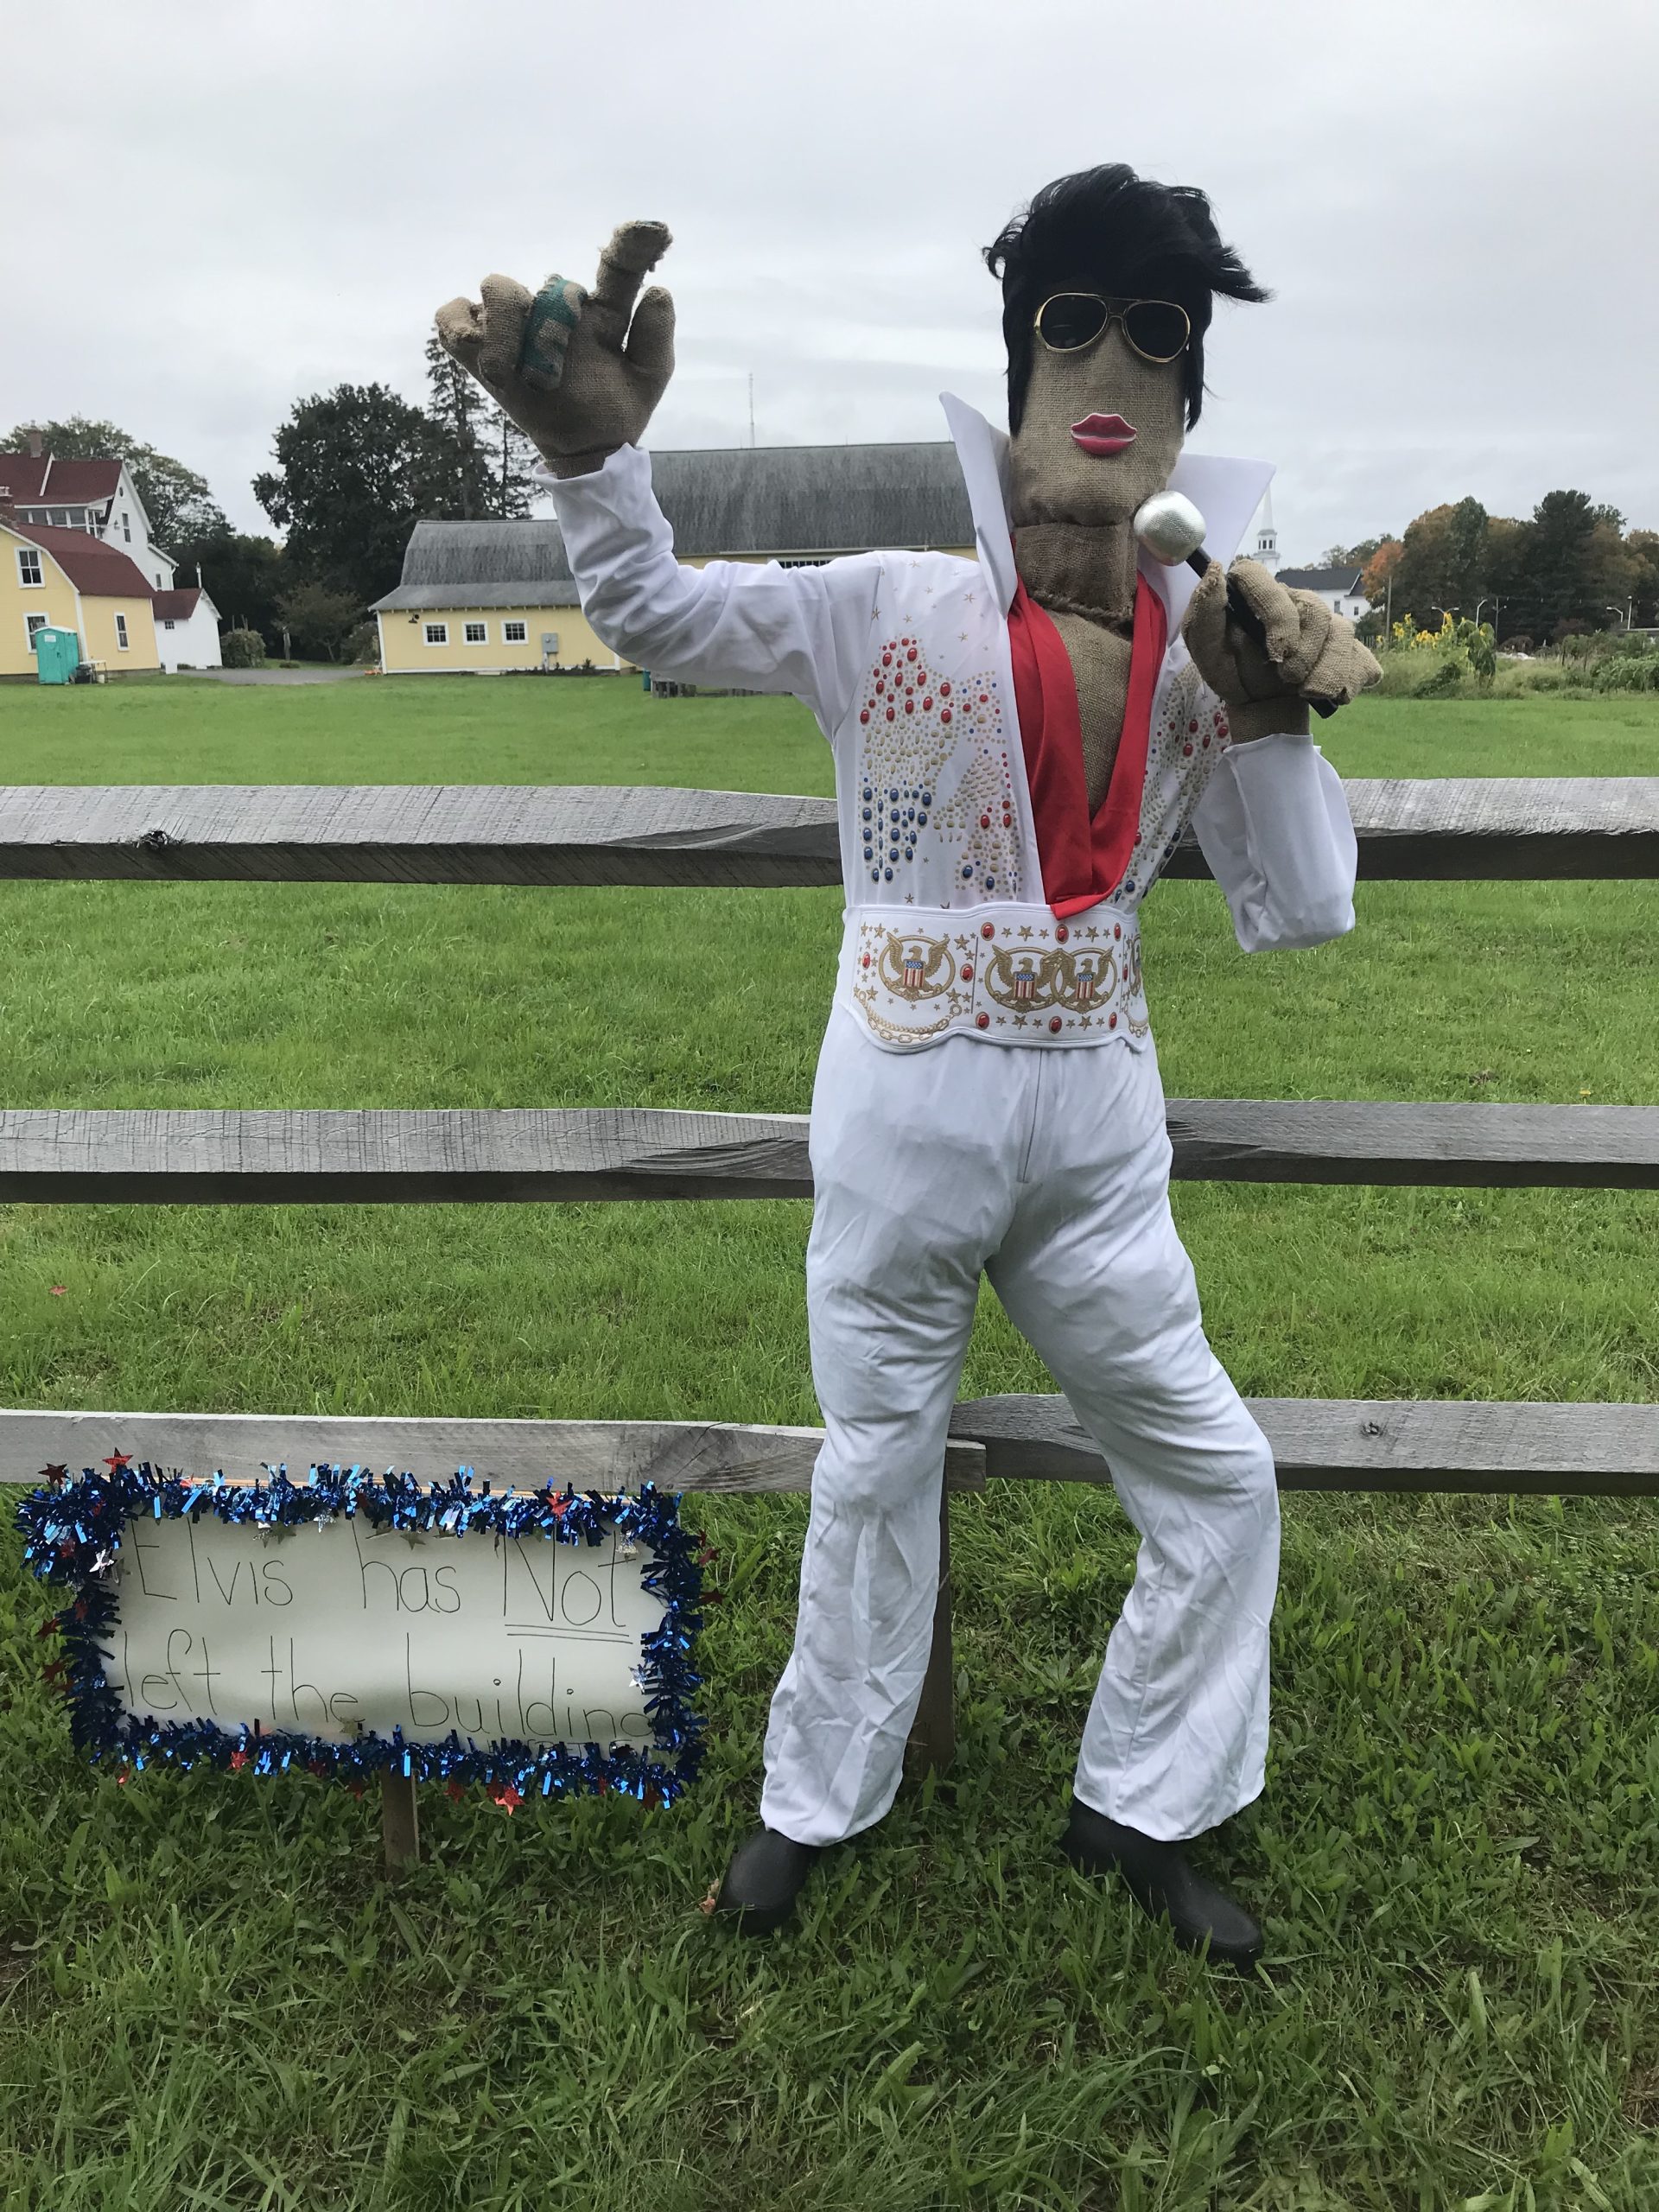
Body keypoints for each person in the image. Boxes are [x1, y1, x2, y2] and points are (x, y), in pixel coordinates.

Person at [436, 165, 1379, 1970]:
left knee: (1221, 1474)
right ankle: (818, 1793)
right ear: (1018, 370)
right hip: (900, 1119)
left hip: (1099, 1140)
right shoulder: (880, 605)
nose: (1110, 363)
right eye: (1070, 322)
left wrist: (1267, 717)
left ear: (1192, 401)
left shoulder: (1214, 645)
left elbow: (1308, 907)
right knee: (874, 1465)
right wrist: (589, 455)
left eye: (1156, 336)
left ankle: (1145, 1798)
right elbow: (658, 622)